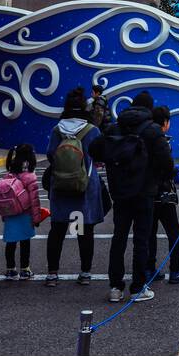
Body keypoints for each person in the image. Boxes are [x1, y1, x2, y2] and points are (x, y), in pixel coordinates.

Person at [90, 88, 173, 303]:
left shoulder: (114, 127)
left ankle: (115, 287)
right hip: (144, 192)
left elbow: (94, 149)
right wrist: (158, 175)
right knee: (141, 239)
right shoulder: (152, 130)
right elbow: (166, 161)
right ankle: (138, 286)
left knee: (119, 238)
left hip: (120, 191)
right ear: (149, 108)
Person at [45, 87, 106, 288]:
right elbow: (99, 156)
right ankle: (85, 272)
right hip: (84, 188)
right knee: (83, 231)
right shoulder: (92, 130)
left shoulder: (57, 130)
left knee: (58, 230)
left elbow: (50, 155)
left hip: (60, 187)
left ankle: (53, 274)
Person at [0, 144, 47, 280]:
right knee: (25, 242)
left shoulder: (9, 175)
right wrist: (36, 218)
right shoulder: (30, 176)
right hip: (25, 214)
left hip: (10, 214)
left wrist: (4, 215)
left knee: (11, 242)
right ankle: (25, 269)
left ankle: (11, 270)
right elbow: (34, 201)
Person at [147, 105, 179, 284]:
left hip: (148, 192)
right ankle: (175, 270)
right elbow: (168, 167)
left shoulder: (143, 137)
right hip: (164, 193)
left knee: (150, 232)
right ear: (165, 122)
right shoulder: (162, 140)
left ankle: (149, 269)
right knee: (173, 232)